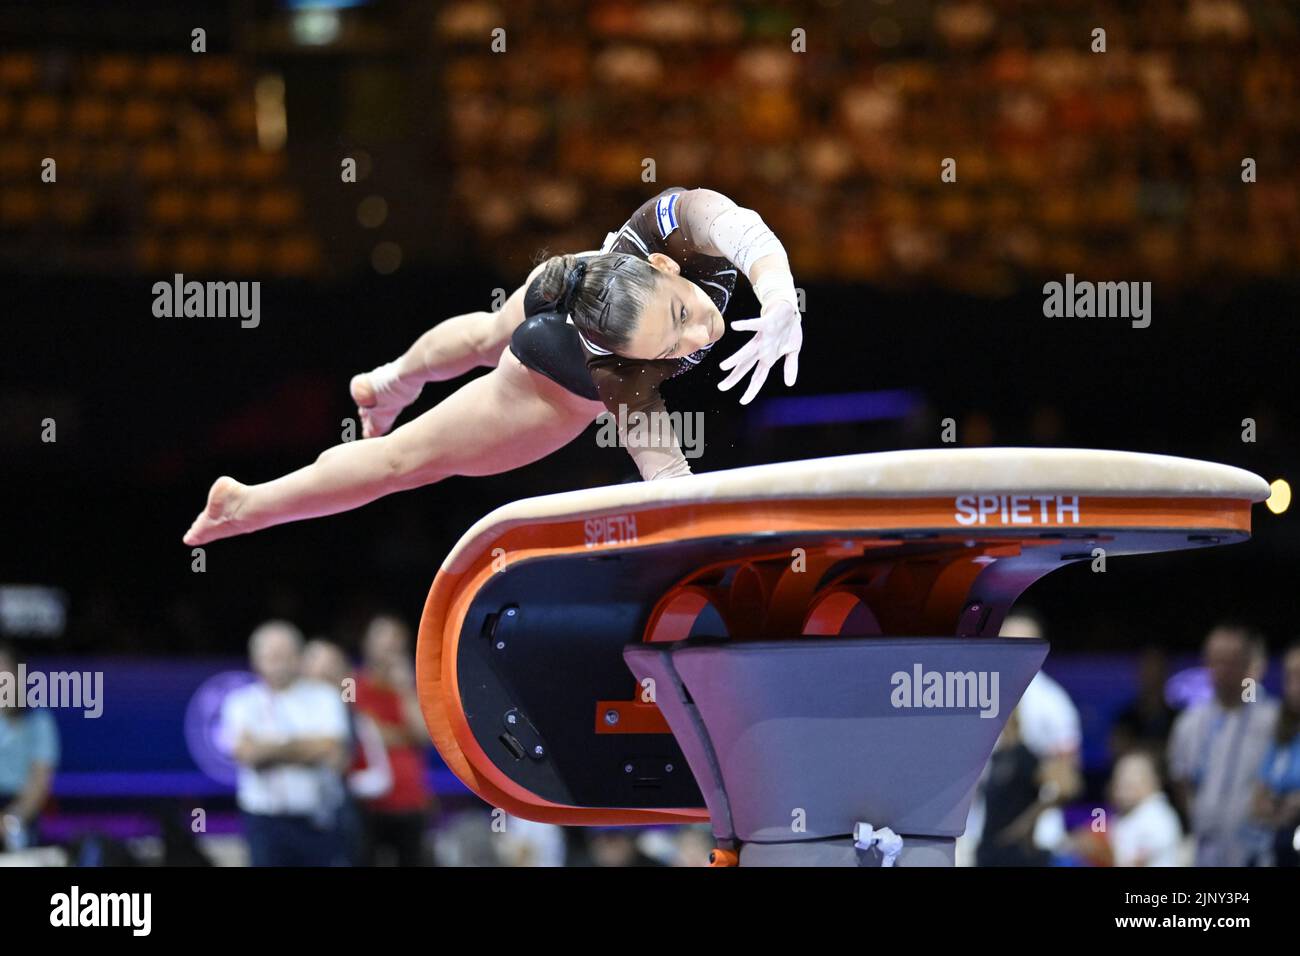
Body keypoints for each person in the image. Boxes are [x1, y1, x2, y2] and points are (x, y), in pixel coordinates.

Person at [183, 187, 803, 545]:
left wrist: (778, 301)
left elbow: (743, 228)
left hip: (567, 286)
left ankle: (389, 382)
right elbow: (668, 478)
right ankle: (246, 504)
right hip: (555, 364)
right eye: (676, 332)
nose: (702, 331)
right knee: (408, 462)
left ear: (669, 267)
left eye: (679, 326)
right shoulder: (611, 371)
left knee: (485, 334)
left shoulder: (678, 228)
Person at [222, 621, 351, 866]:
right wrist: (306, 748)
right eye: (270, 656)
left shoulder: (325, 697)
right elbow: (248, 754)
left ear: (299, 657)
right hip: (265, 820)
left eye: (284, 655)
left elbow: (332, 750)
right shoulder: (240, 702)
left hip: (318, 819)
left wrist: (270, 748)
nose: (278, 663)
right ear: (255, 660)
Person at [1167, 623, 1280, 866]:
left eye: (1230, 661)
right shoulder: (1190, 722)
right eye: (1215, 661)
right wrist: (1200, 815)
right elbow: (1181, 780)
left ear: (1247, 665)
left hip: (1257, 848)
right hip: (1206, 846)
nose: (1221, 670)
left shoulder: (1271, 720)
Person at [301, 638, 392, 866]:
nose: (324, 676)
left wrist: (347, 784)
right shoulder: (286, 714)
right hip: (292, 820)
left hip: (342, 821)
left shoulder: (358, 721)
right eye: (317, 672)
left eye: (331, 670)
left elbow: (380, 776)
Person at [353, 615, 433, 866]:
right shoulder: (352, 684)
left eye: (395, 640)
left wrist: (405, 689)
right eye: (382, 639)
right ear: (366, 643)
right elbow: (362, 734)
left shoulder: (412, 687)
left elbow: (424, 735)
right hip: (367, 803)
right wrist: (402, 735)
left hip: (411, 800)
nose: (389, 646)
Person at [0, 642, 59, 852]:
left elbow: (39, 782)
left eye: (3, 667)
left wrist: (12, 819)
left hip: (19, 809)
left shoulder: (37, 720)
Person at [1252, 641, 1300, 866]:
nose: (1293, 686)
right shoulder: (1283, 733)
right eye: (1289, 677)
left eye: (1299, 675)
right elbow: (1259, 802)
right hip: (1280, 850)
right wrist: (1279, 810)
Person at [1106, 750, 1183, 867]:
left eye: (1129, 784)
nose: (1122, 790)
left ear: (1151, 782)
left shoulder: (1157, 814)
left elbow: (1136, 861)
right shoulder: (1125, 814)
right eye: (1119, 782)